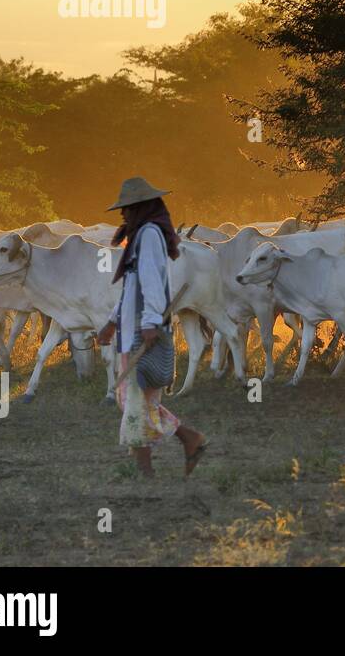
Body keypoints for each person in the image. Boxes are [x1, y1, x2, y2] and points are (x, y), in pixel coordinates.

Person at [96, 177, 208, 478]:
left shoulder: (147, 236)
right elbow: (132, 287)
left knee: (137, 401)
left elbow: (152, 282)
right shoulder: (141, 236)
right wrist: (111, 322)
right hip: (132, 326)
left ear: (142, 208)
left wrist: (148, 322)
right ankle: (188, 438)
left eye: (127, 208)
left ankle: (145, 470)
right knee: (134, 399)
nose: (123, 214)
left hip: (141, 330)